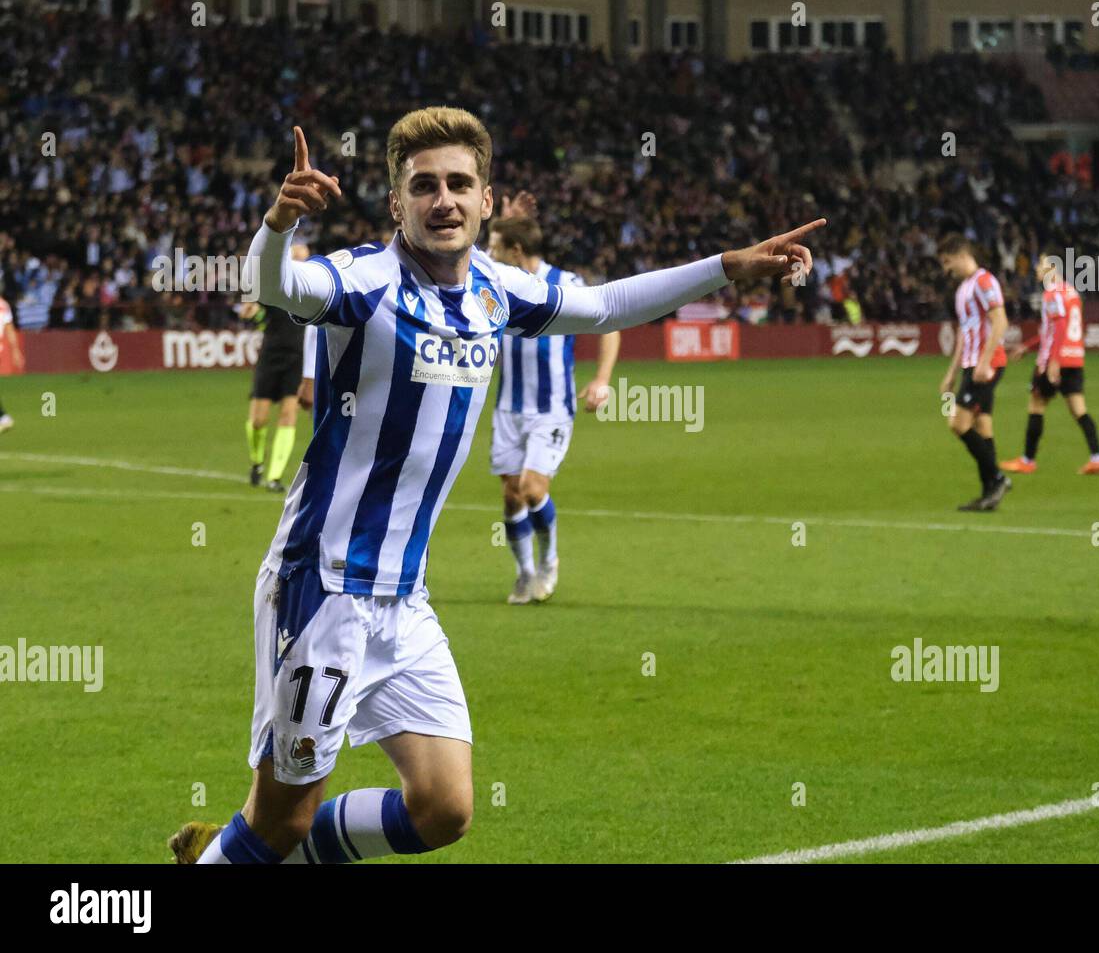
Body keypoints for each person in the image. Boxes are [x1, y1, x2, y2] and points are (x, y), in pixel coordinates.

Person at [168, 108, 822, 864]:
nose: (442, 199)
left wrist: (727, 267)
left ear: (486, 200)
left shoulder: (495, 292)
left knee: (443, 806)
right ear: (396, 204)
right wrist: (278, 222)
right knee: (280, 818)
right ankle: (246, 848)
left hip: (404, 599)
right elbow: (276, 286)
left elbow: (606, 305)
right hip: (324, 591)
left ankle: (245, 846)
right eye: (423, 186)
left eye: (458, 183)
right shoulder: (359, 283)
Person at [488, 206, 621, 604]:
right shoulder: (492, 283)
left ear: (515, 250)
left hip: (552, 409)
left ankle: (548, 562)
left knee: (532, 488)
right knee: (512, 496)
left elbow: (609, 321)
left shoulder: (566, 284)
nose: (486, 253)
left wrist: (601, 379)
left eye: (493, 246)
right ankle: (525, 573)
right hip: (508, 408)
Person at [1001, 254, 1099, 475]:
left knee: (1036, 405)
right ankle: (1097, 457)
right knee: (1079, 409)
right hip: (1075, 357)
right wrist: (1027, 346)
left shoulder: (1052, 293)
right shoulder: (1071, 292)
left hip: (1055, 359)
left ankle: (1027, 460)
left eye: (1040, 265)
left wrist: (1053, 362)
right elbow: (1058, 328)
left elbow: (1058, 328)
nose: (1037, 270)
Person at [937, 234, 1011, 512]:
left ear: (960, 255)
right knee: (983, 427)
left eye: (947, 262)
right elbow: (964, 336)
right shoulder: (963, 290)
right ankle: (989, 494)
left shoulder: (984, 281)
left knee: (957, 423)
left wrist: (985, 361)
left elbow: (1000, 321)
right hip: (971, 363)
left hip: (985, 365)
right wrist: (951, 373)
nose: (946, 269)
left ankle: (998, 478)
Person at [242, 243, 309, 492]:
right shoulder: (274, 290)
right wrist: (251, 312)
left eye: (305, 258)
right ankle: (257, 462)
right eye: (297, 258)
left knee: (288, 415)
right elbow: (255, 315)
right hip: (270, 357)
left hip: (296, 359)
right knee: (258, 420)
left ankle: (275, 476)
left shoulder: (313, 294)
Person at [0, 295, 22, 433]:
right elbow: (9, 329)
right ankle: (3, 417)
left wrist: (15, 351)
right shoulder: (4, 305)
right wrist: (15, 350)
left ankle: (3, 417)